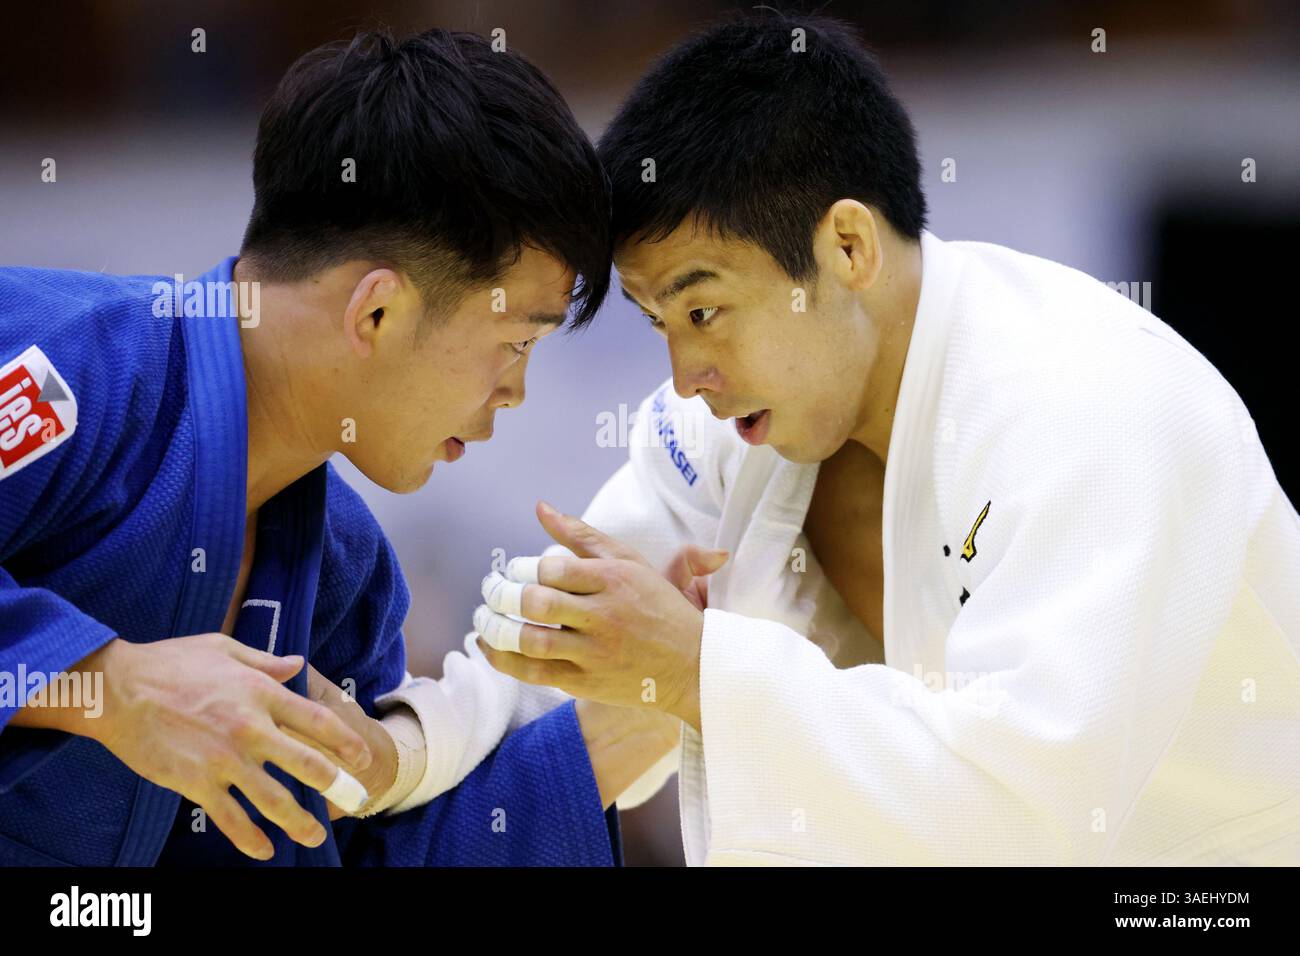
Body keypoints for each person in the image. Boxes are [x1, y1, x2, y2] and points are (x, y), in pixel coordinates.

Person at [469, 12, 1300, 865]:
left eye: (703, 310)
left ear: (848, 245)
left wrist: (698, 670)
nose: (685, 373)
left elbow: (1030, 819)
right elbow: (560, 642)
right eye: (660, 324)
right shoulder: (728, 417)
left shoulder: (1094, 412)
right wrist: (409, 745)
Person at [0, 26, 676, 867]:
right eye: (514, 342)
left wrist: (638, 725)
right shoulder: (62, 365)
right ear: (377, 314)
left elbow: (357, 855)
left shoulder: (347, 579)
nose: (516, 392)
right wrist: (110, 688)